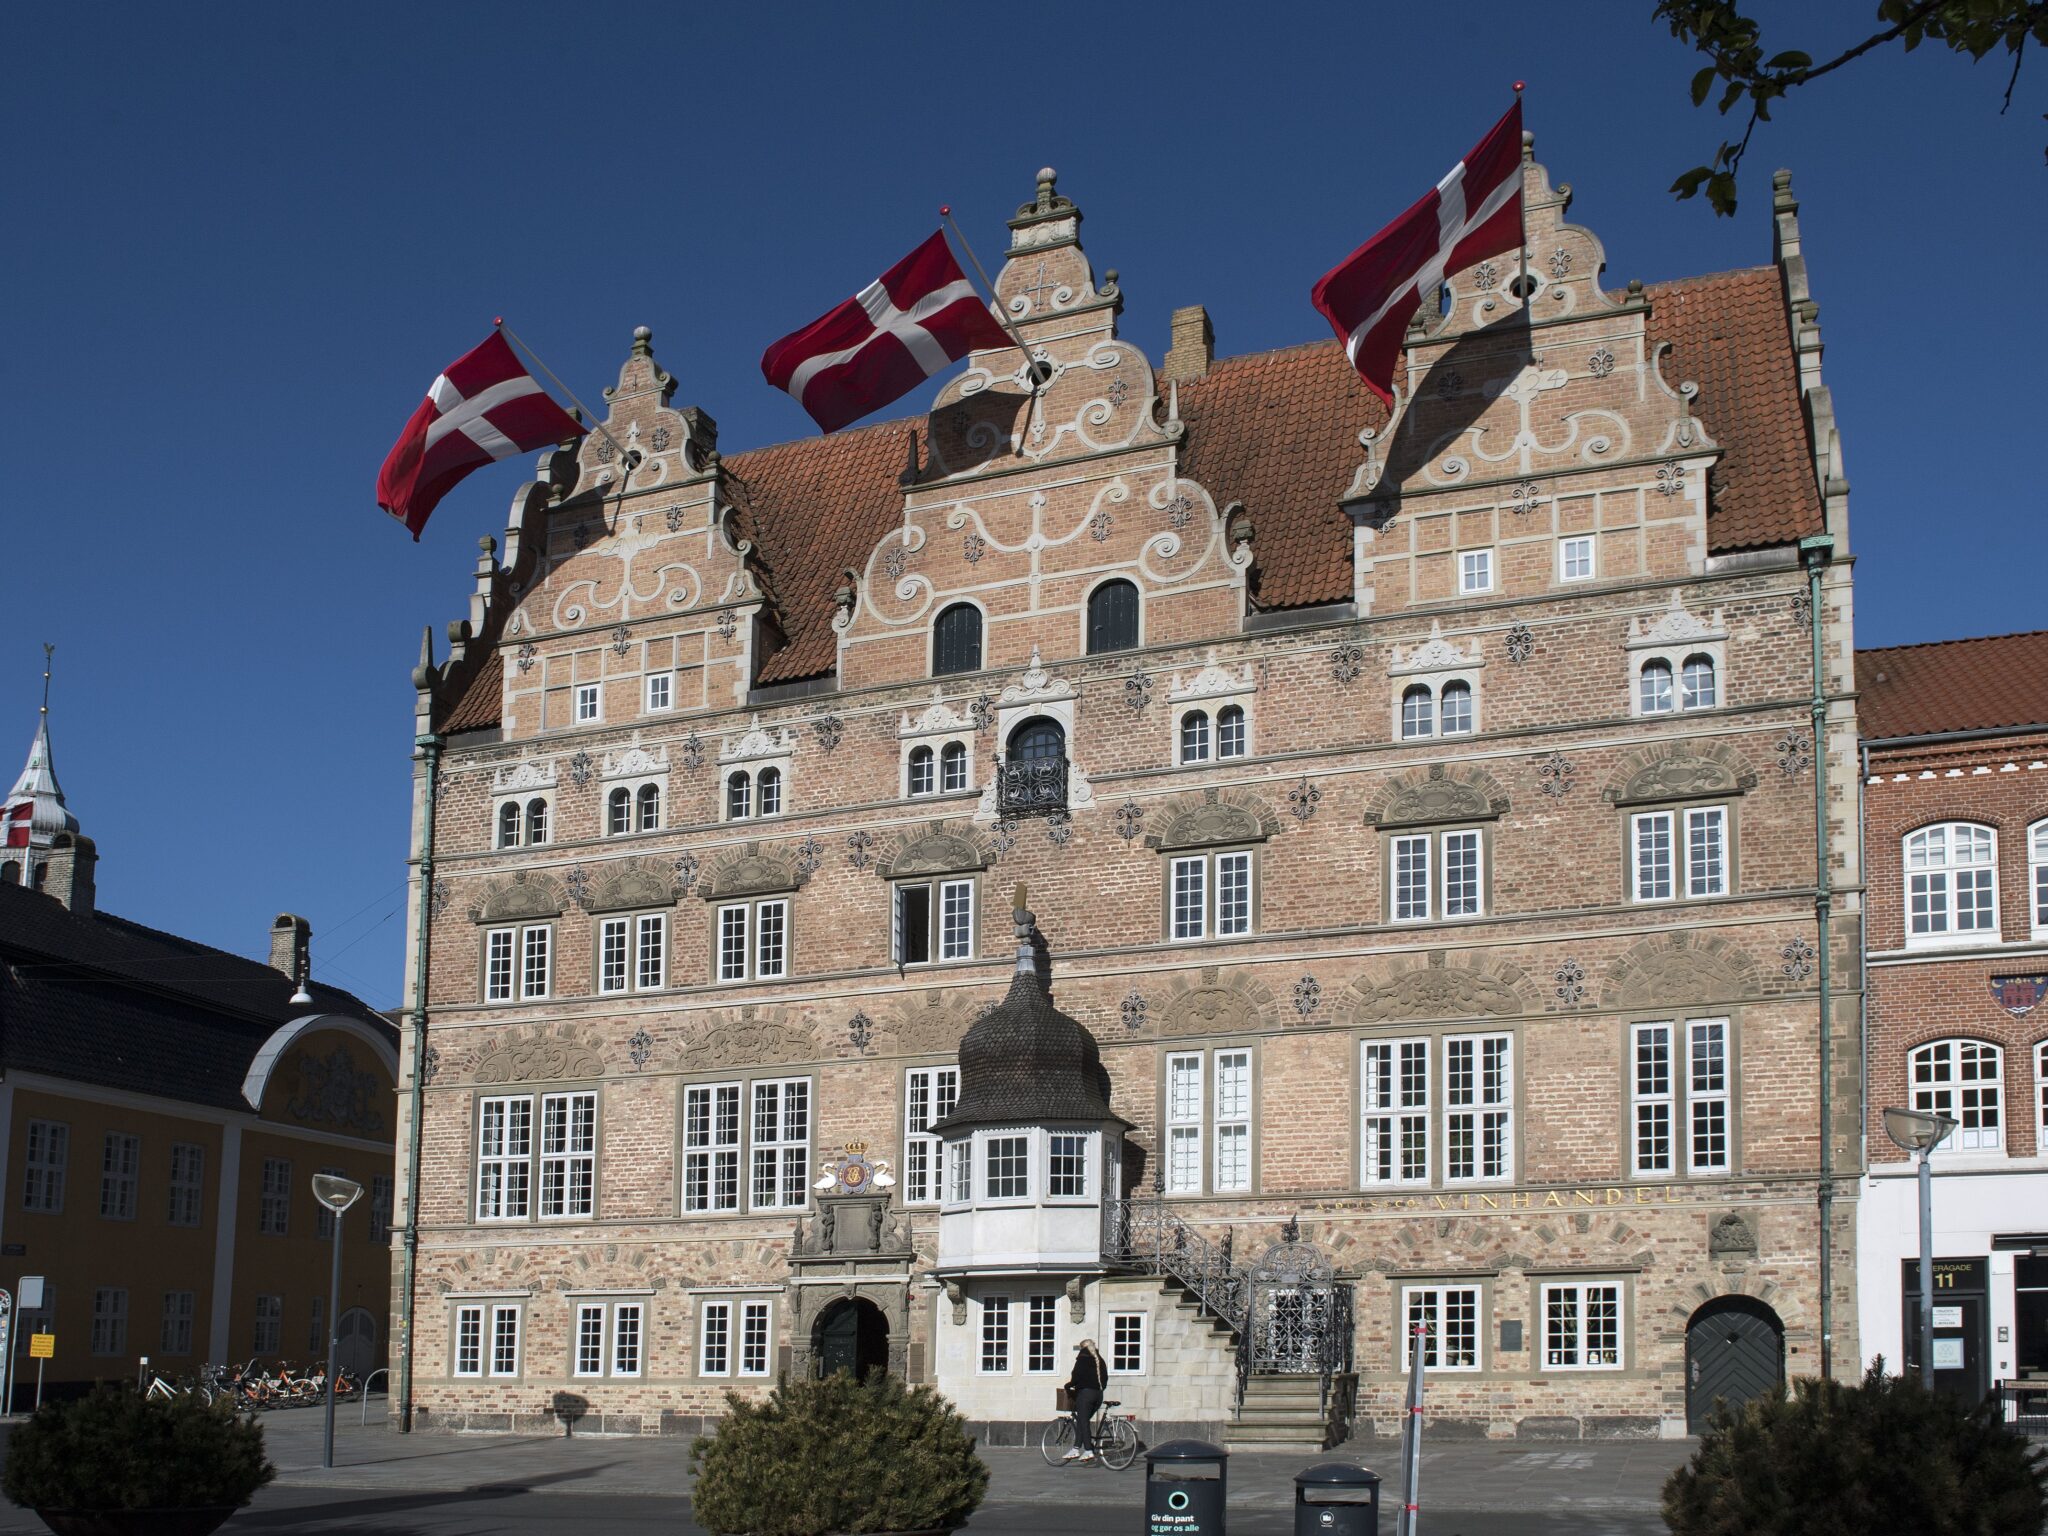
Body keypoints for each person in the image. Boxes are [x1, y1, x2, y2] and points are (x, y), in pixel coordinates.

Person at [1062, 1338, 1108, 1462]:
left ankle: (1088, 1450)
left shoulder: (1082, 1358)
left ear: (1083, 1348)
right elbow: (1105, 1379)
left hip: (1085, 1394)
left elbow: (1076, 1376)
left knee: (1083, 1421)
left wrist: (1069, 1385)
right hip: (1098, 1395)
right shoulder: (1100, 1360)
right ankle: (1076, 1448)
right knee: (1083, 1421)